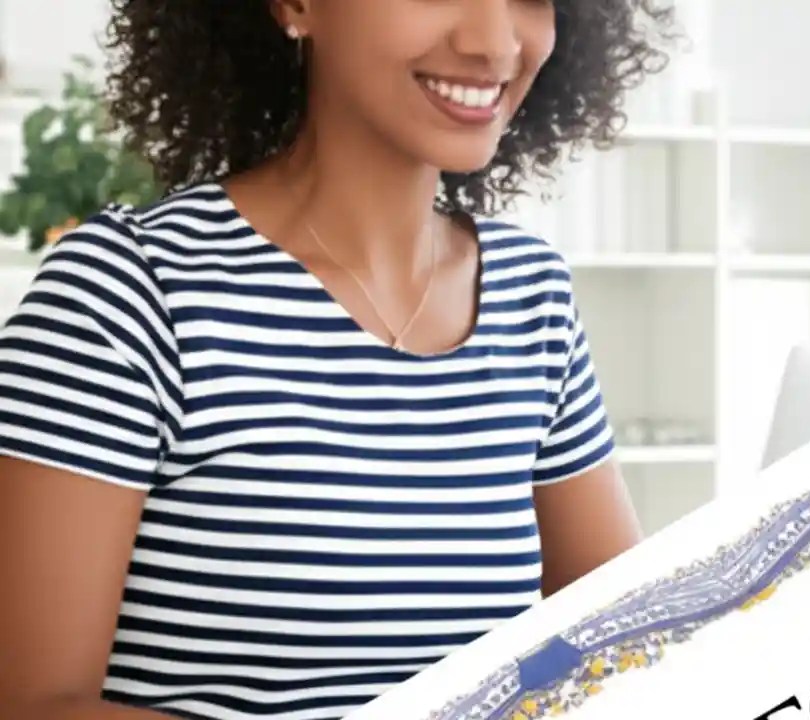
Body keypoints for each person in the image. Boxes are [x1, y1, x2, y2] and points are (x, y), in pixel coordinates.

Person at [0, 1, 674, 718]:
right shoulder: (130, 292)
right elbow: (32, 703)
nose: (494, 41)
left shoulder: (529, 296)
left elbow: (626, 644)